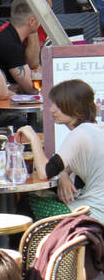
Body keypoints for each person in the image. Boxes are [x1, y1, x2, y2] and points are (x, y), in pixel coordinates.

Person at [17, 78, 104, 223]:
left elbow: (45, 172)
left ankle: (25, 244)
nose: (51, 110)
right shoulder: (93, 129)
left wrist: (33, 138)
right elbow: (60, 166)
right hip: (95, 210)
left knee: (30, 198)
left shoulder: (80, 133)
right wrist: (63, 175)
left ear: (74, 108)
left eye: (58, 105)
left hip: (92, 213)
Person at [0, 0, 41, 94]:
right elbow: (32, 89)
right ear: (32, 21)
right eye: (39, 19)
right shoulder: (10, 45)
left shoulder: (9, 35)